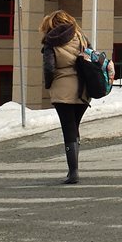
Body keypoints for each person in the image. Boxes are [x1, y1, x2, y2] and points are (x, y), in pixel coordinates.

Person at [40, 10, 90, 184]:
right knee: (75, 126)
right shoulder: (80, 37)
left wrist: (49, 84)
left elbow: (49, 68)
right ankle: (74, 170)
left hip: (62, 90)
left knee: (68, 127)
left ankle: (73, 171)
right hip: (83, 89)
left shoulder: (50, 42)